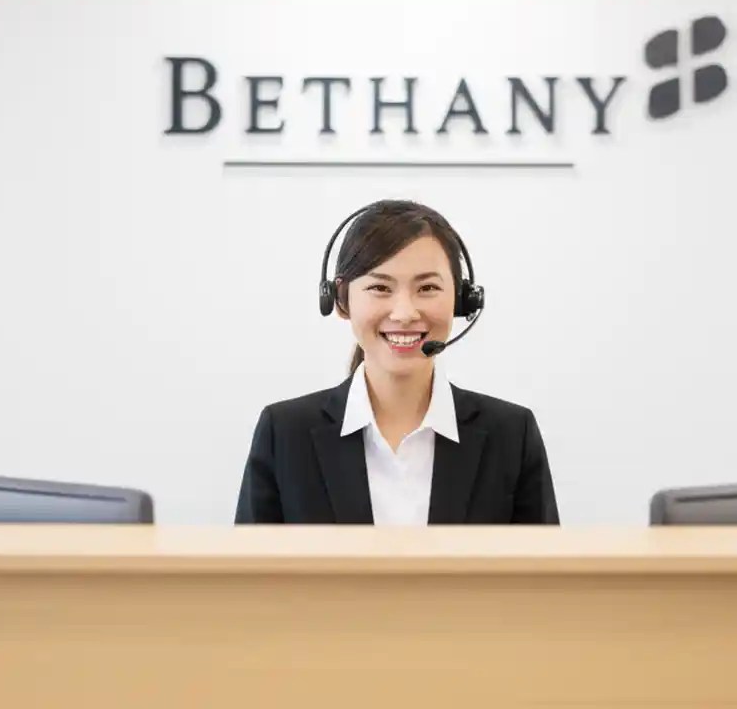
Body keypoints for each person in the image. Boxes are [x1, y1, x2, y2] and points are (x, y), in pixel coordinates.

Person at [235, 199, 558, 524]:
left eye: (427, 287)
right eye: (380, 287)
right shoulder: (284, 435)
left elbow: (542, 559)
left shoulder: (512, 437)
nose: (404, 313)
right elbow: (249, 559)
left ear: (461, 300)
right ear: (342, 300)